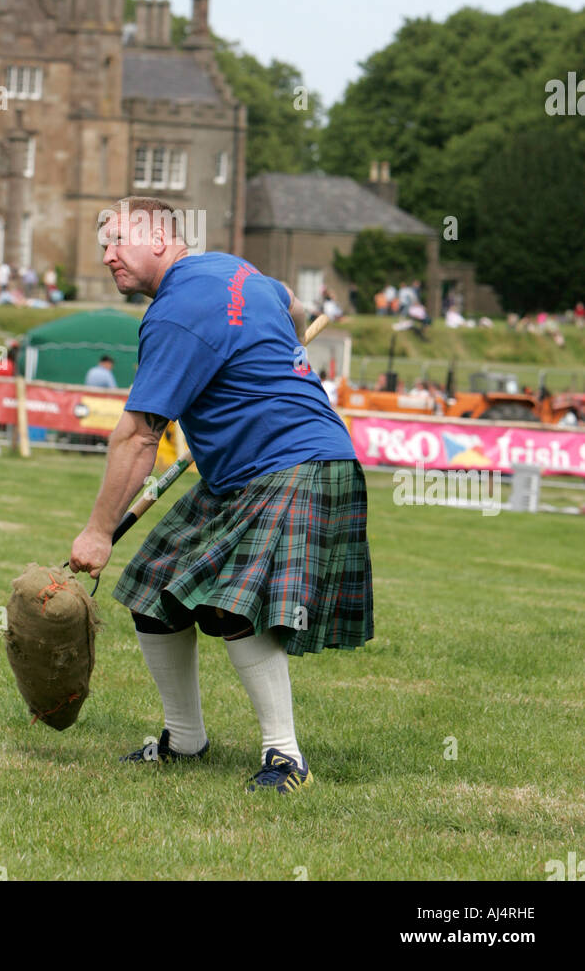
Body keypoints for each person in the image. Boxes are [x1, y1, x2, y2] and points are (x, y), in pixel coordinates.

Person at [70, 197, 373, 796]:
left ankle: (287, 759)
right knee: (154, 590)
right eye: (102, 245)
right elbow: (293, 304)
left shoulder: (177, 311)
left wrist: (98, 532)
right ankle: (185, 741)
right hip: (242, 472)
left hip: (297, 462)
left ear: (160, 239)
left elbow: (136, 436)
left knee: (232, 603)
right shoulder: (233, 269)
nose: (107, 256)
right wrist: (274, 349)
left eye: (118, 241)